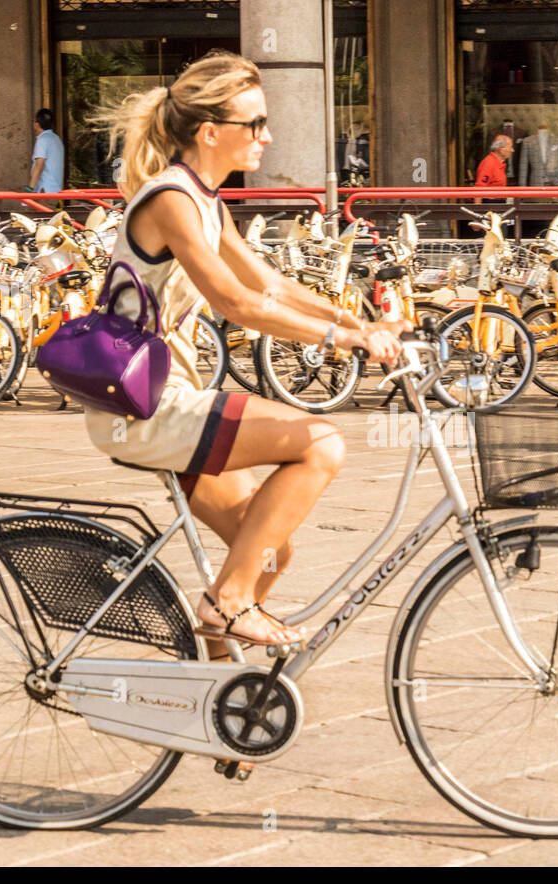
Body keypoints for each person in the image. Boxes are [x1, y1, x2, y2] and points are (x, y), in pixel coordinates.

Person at [91, 51, 405, 653]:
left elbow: (271, 285)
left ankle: (220, 707)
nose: (268, 136)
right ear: (212, 133)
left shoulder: (204, 200)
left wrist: (361, 322)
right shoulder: (171, 201)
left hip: (166, 402)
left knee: (266, 552)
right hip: (145, 407)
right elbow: (236, 302)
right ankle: (227, 605)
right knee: (321, 444)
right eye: (255, 124)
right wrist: (345, 342)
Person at [28, 108, 65, 195]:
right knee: (55, 209)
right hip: (57, 191)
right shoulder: (56, 139)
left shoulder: (42, 140)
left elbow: (39, 166)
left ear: (37, 124)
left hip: (45, 191)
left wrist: (29, 190)